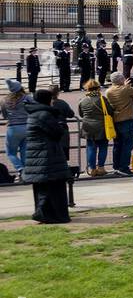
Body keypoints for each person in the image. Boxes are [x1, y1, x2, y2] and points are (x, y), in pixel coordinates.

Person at [24, 89, 70, 223]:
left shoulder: (34, 114)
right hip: (47, 155)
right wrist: (61, 126)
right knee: (53, 188)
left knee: (44, 187)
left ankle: (44, 213)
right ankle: (49, 214)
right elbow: (56, 133)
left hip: (38, 155)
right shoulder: (44, 115)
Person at [105, 72, 133, 176]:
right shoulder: (126, 89)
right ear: (121, 80)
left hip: (116, 120)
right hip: (127, 120)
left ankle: (116, 166)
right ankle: (124, 167)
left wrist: (125, 85)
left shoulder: (108, 91)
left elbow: (121, 92)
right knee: (127, 145)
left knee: (117, 145)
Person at [78, 79, 112, 177]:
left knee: (90, 148)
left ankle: (92, 169)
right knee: (103, 147)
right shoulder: (102, 99)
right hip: (102, 127)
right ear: (98, 88)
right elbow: (110, 111)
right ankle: (101, 167)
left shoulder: (82, 100)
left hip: (88, 127)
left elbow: (81, 114)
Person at [3, 79, 29, 177]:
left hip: (13, 128)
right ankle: (26, 172)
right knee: (24, 151)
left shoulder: (5, 100)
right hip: (27, 126)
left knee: (10, 152)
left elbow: (5, 115)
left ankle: (20, 168)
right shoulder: (26, 98)